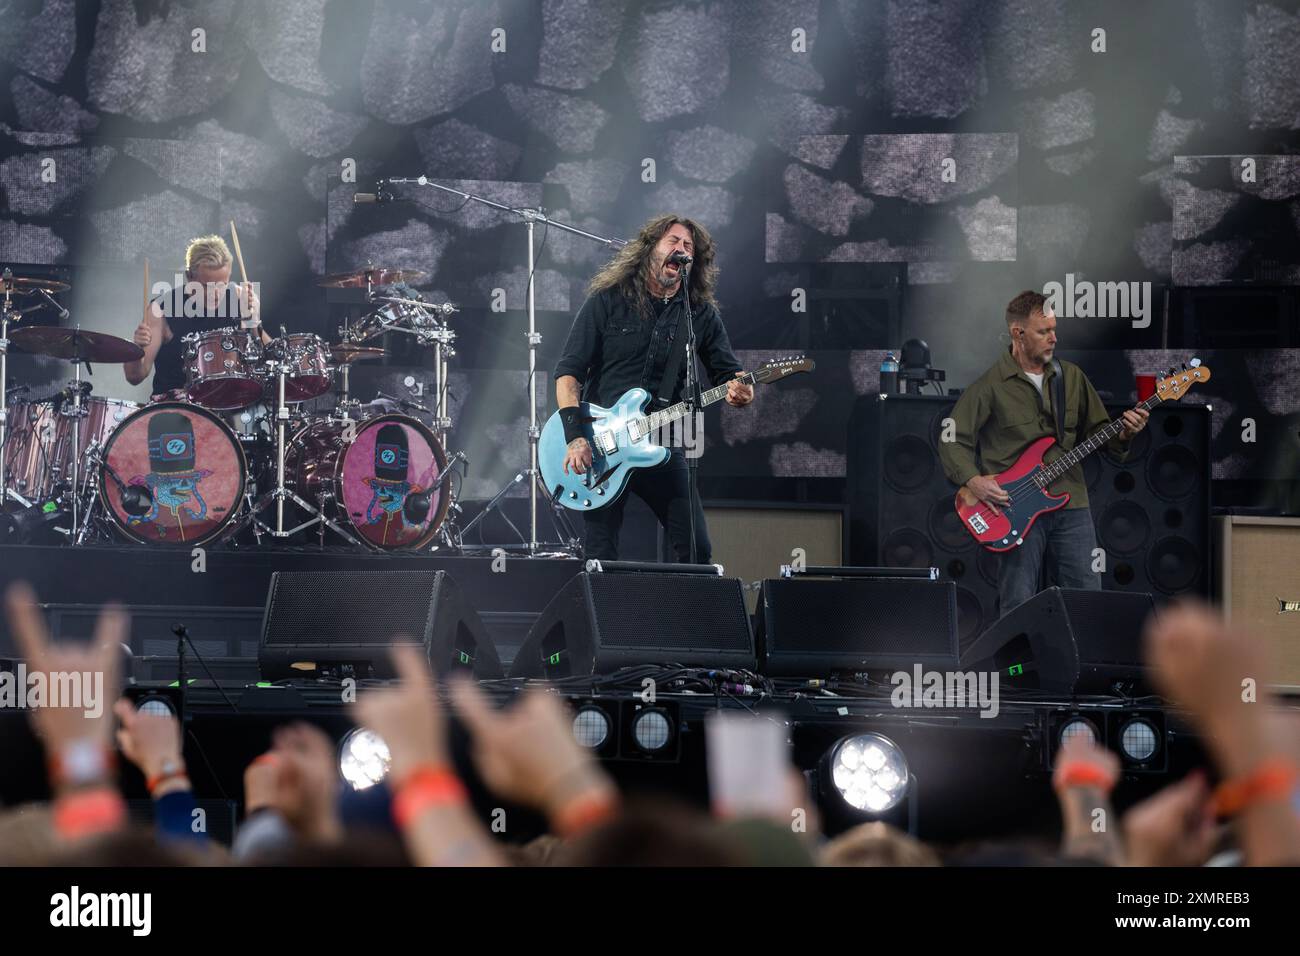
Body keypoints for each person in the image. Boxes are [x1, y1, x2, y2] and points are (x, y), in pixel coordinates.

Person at [553, 214, 753, 563]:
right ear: (649, 250)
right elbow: (568, 373)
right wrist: (576, 437)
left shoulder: (699, 315)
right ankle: (602, 616)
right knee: (601, 554)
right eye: (672, 241)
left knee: (696, 550)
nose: (681, 249)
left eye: (689, 246)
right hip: (604, 446)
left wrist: (741, 389)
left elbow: (727, 372)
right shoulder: (607, 301)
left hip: (664, 439)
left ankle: (681, 617)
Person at [938, 290, 1149, 615]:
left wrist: (1123, 433)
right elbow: (952, 439)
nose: (1054, 337)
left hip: (1071, 502)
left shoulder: (1072, 378)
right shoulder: (990, 386)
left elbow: (1100, 435)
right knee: (1018, 603)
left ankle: (1083, 666)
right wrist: (975, 482)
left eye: (1054, 329)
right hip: (1013, 508)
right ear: (1017, 334)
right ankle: (1020, 666)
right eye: (1044, 331)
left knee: (1086, 599)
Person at [124, 234, 271, 398]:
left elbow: (270, 361)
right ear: (189, 276)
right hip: (174, 409)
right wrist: (135, 350)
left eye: (221, 285)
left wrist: (253, 321)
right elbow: (135, 377)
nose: (215, 294)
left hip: (226, 405)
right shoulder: (161, 308)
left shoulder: (239, 297)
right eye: (206, 286)